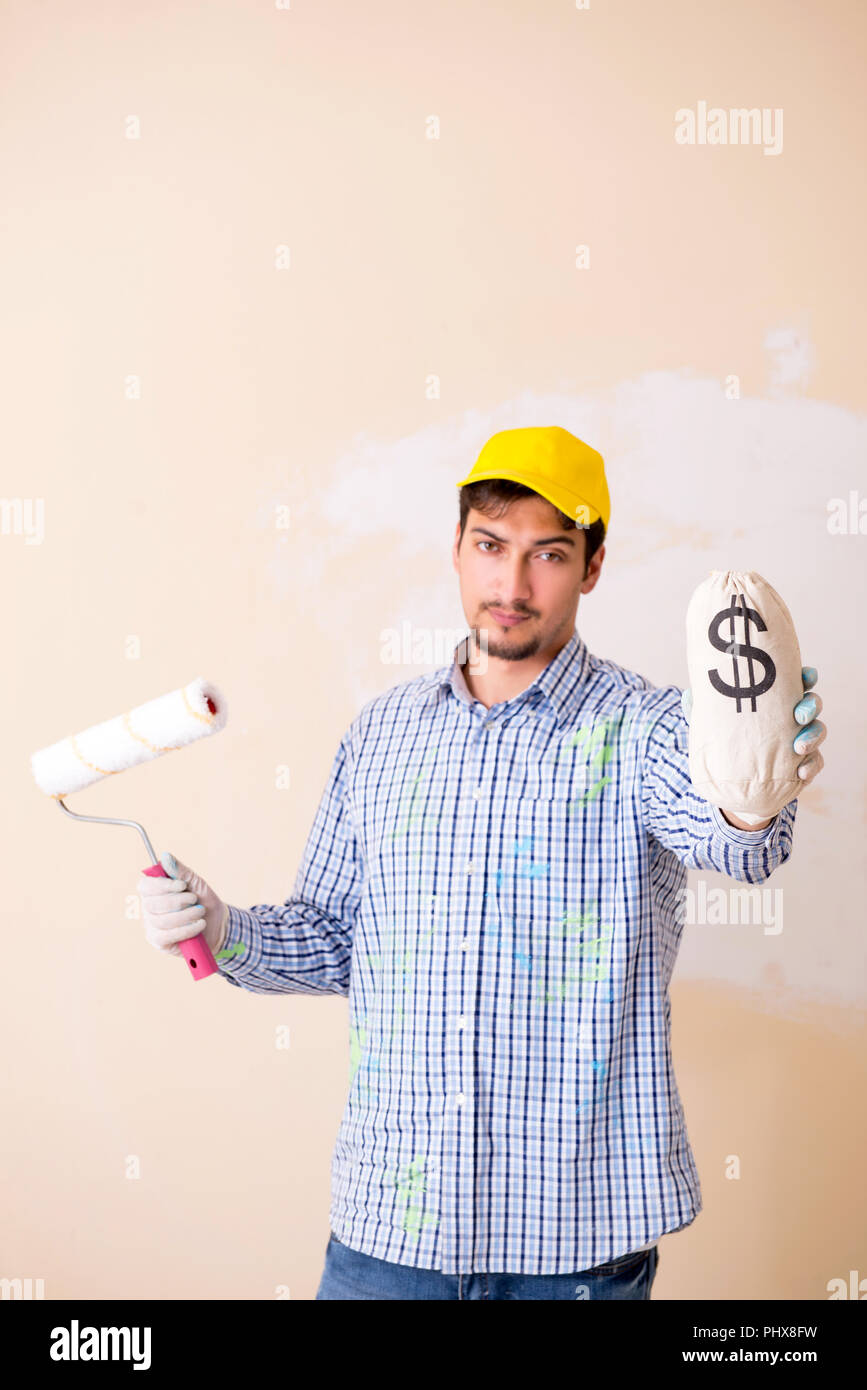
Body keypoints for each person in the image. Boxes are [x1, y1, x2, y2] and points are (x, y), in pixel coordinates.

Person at [138, 425, 826, 1301]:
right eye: (490, 547)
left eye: (547, 553)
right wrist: (224, 927)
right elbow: (336, 938)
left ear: (593, 565)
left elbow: (737, 844)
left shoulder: (647, 729)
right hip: (387, 1240)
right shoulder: (381, 735)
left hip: (574, 1252)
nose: (510, 585)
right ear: (456, 550)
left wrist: (751, 788)